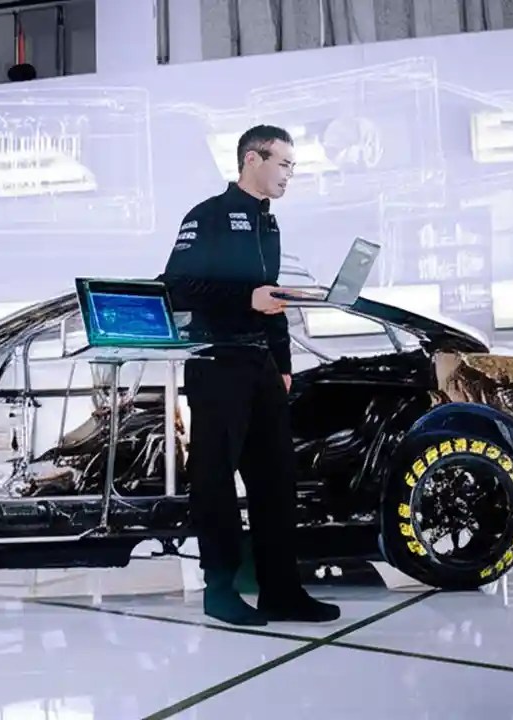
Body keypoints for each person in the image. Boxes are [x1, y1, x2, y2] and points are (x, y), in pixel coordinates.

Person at [159, 125, 341, 626]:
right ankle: (219, 590)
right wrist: (244, 300)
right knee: (215, 481)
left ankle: (281, 590)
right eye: (283, 164)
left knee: (277, 482)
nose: (289, 174)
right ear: (252, 160)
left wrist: (282, 364)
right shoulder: (208, 216)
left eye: (291, 166)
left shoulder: (270, 226)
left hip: (262, 368)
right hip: (218, 365)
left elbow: (272, 300)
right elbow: (176, 286)